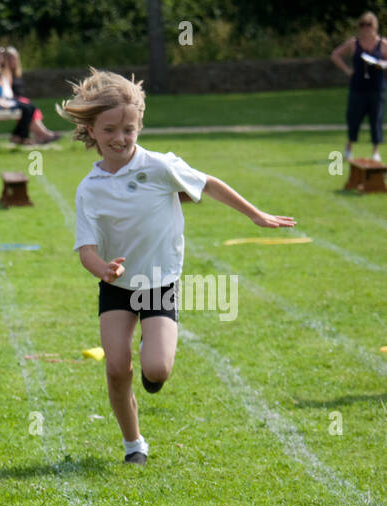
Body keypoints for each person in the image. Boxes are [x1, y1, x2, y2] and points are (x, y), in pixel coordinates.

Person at [56, 70, 294, 465]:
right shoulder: (89, 189)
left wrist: (255, 215)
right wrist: (102, 269)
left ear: (139, 126)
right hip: (115, 286)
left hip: (159, 282)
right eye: (110, 129)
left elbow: (209, 184)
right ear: (91, 131)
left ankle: (153, 366)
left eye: (128, 129)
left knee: (158, 370)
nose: (120, 138)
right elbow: (86, 249)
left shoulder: (160, 166)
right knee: (116, 368)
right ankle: (134, 445)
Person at [332, 12, 386, 163]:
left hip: (376, 88)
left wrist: (382, 64)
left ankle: (375, 151)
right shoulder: (353, 43)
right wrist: (347, 70)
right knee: (353, 118)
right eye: (363, 25)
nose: (366, 29)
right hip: (357, 88)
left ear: (374, 26)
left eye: (369, 25)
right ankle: (349, 148)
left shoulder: (382, 44)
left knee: (376, 119)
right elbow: (335, 54)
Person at [0, 46, 60, 145]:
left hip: (9, 100)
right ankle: (30, 135)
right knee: (28, 108)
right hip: (3, 101)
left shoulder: (8, 73)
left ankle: (24, 136)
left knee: (29, 108)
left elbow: (7, 90)